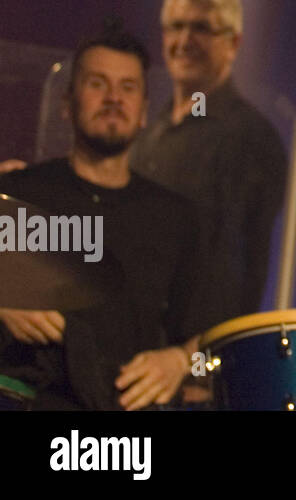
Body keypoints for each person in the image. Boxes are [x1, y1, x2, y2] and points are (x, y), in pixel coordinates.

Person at [0, 22, 202, 409]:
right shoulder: (18, 191)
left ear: (143, 112)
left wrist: (180, 361)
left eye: (128, 88)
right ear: (66, 104)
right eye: (97, 84)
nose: (113, 98)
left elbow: (204, 341)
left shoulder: (177, 217)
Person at [129, 0, 287, 335]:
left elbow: (239, 271)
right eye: (176, 26)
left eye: (201, 28)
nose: (184, 41)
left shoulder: (250, 137)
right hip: (138, 347)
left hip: (190, 364)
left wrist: (199, 361)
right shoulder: (151, 128)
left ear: (233, 43)